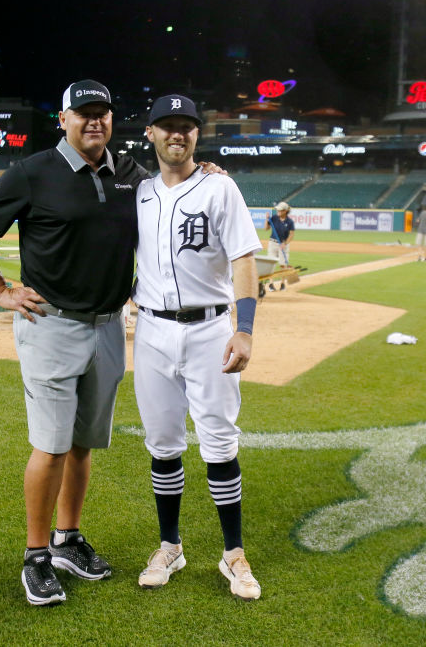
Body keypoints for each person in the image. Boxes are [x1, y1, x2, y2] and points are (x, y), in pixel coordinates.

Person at [0, 79, 145, 606]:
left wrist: (206, 172)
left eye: (103, 114)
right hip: (52, 325)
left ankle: (68, 540)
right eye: (83, 114)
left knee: (83, 443)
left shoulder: (129, 172)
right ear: (62, 119)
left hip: (108, 326)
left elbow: (173, 192)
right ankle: (36, 556)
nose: (95, 122)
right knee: (51, 445)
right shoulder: (33, 171)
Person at [131, 94, 263, 600]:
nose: (177, 134)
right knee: (163, 444)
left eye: (186, 126)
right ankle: (170, 545)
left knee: (220, 444)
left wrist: (244, 328)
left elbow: (244, 260)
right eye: (167, 126)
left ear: (196, 135)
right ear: (151, 134)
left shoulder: (220, 187)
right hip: (153, 333)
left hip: (210, 330)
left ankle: (233, 553)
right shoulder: (138, 191)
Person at [265, 201, 295, 266]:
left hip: (283, 244)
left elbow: (291, 234)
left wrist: (285, 243)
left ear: (285, 211)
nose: (278, 211)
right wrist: (267, 219)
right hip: (272, 243)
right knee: (270, 264)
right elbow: (266, 228)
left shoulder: (290, 222)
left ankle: (284, 276)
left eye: (280, 210)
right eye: (278, 210)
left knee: (283, 265)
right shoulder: (274, 218)